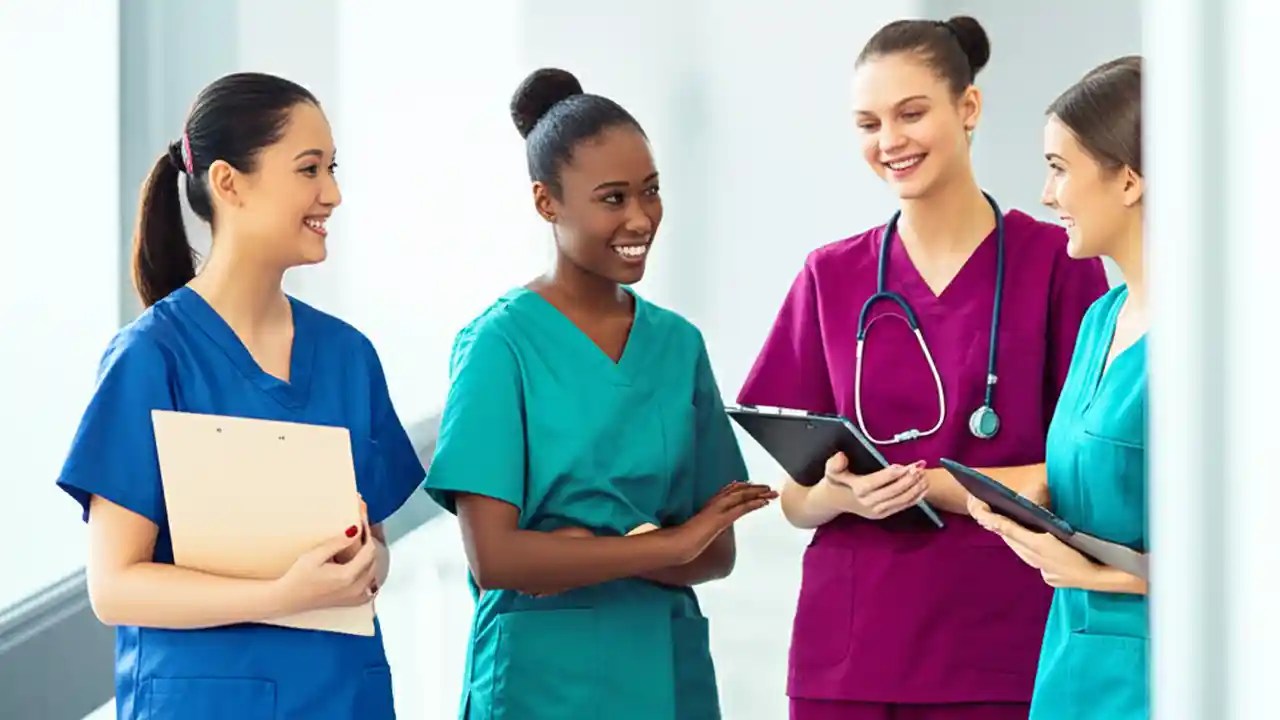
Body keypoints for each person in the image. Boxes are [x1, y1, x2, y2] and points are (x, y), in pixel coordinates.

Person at [736, 16, 1111, 720]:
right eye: (868, 123)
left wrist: (925, 485)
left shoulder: (1057, 265)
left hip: (999, 645)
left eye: (911, 113)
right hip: (848, 650)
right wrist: (840, 499)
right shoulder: (831, 276)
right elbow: (794, 497)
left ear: (968, 109)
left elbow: (1074, 477)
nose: (890, 142)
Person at [56, 72, 425, 720]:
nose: (333, 194)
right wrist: (282, 593)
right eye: (309, 169)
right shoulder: (152, 360)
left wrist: (368, 562)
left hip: (347, 697)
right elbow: (114, 587)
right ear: (229, 183)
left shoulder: (347, 357)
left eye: (333, 169)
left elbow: (376, 554)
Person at [423, 67, 776, 720]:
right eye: (612, 198)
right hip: (540, 681)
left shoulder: (677, 346)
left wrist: (581, 549)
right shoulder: (501, 345)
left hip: (666, 672)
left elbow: (717, 549)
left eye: (651, 191)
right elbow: (498, 556)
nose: (641, 217)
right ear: (546, 202)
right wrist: (665, 544)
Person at [969, 56, 1148, 720]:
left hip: (1160, 677)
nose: (1047, 195)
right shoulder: (1103, 318)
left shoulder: (1212, 344)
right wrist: (1037, 495)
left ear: (1128, 180)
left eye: (1059, 168)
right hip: (1071, 664)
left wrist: (1107, 576)